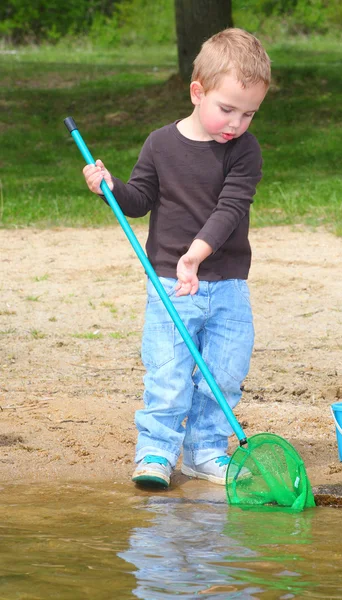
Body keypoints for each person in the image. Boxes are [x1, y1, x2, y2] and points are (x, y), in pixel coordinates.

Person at [82, 28, 271, 488]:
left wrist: (197, 255)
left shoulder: (245, 151)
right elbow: (140, 198)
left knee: (224, 373)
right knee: (168, 374)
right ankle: (156, 451)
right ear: (197, 91)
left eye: (248, 114)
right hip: (169, 281)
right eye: (227, 109)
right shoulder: (160, 144)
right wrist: (110, 189)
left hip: (226, 282)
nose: (236, 123)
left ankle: (205, 450)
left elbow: (230, 209)